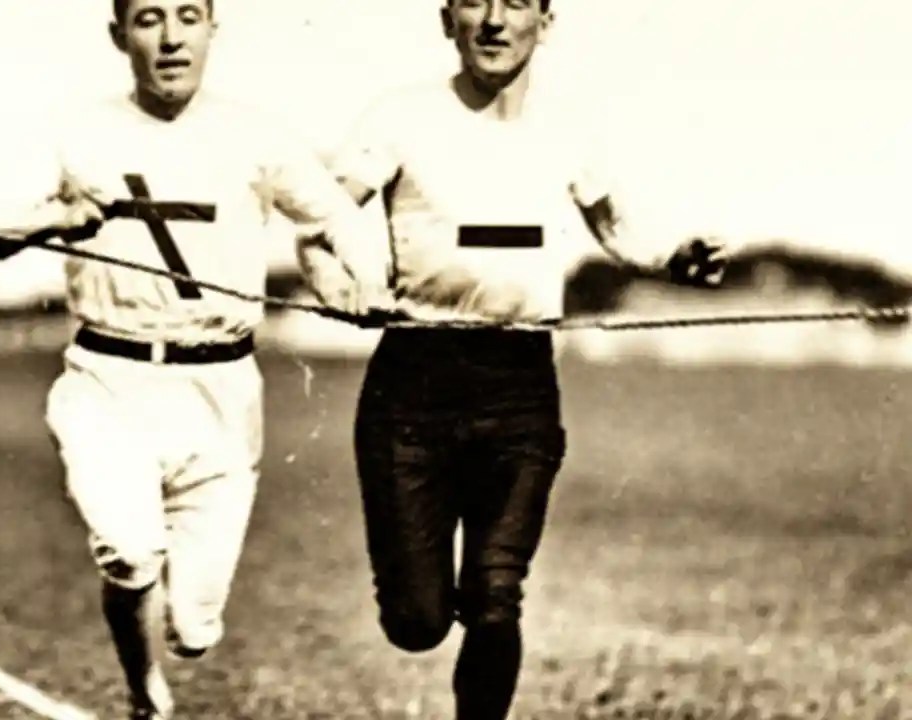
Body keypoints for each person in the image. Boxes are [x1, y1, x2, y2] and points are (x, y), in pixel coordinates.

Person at [0, 1, 390, 717]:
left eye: (188, 15)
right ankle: (142, 691)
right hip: (108, 378)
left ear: (212, 30)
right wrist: (54, 219)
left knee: (195, 627)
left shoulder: (253, 134)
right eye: (149, 17)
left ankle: (175, 648)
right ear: (118, 34)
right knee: (127, 552)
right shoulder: (76, 131)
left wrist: (357, 283)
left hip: (220, 393)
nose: (169, 37)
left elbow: (334, 217)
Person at [304, 1, 730, 718]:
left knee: (497, 596)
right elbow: (319, 226)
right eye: (475, 2)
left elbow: (614, 225)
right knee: (418, 620)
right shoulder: (399, 117)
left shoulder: (566, 127)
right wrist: (339, 286)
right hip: (415, 382)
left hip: (520, 383)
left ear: (546, 20)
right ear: (447, 20)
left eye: (515, 3)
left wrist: (674, 258)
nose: (495, 21)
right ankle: (419, 612)